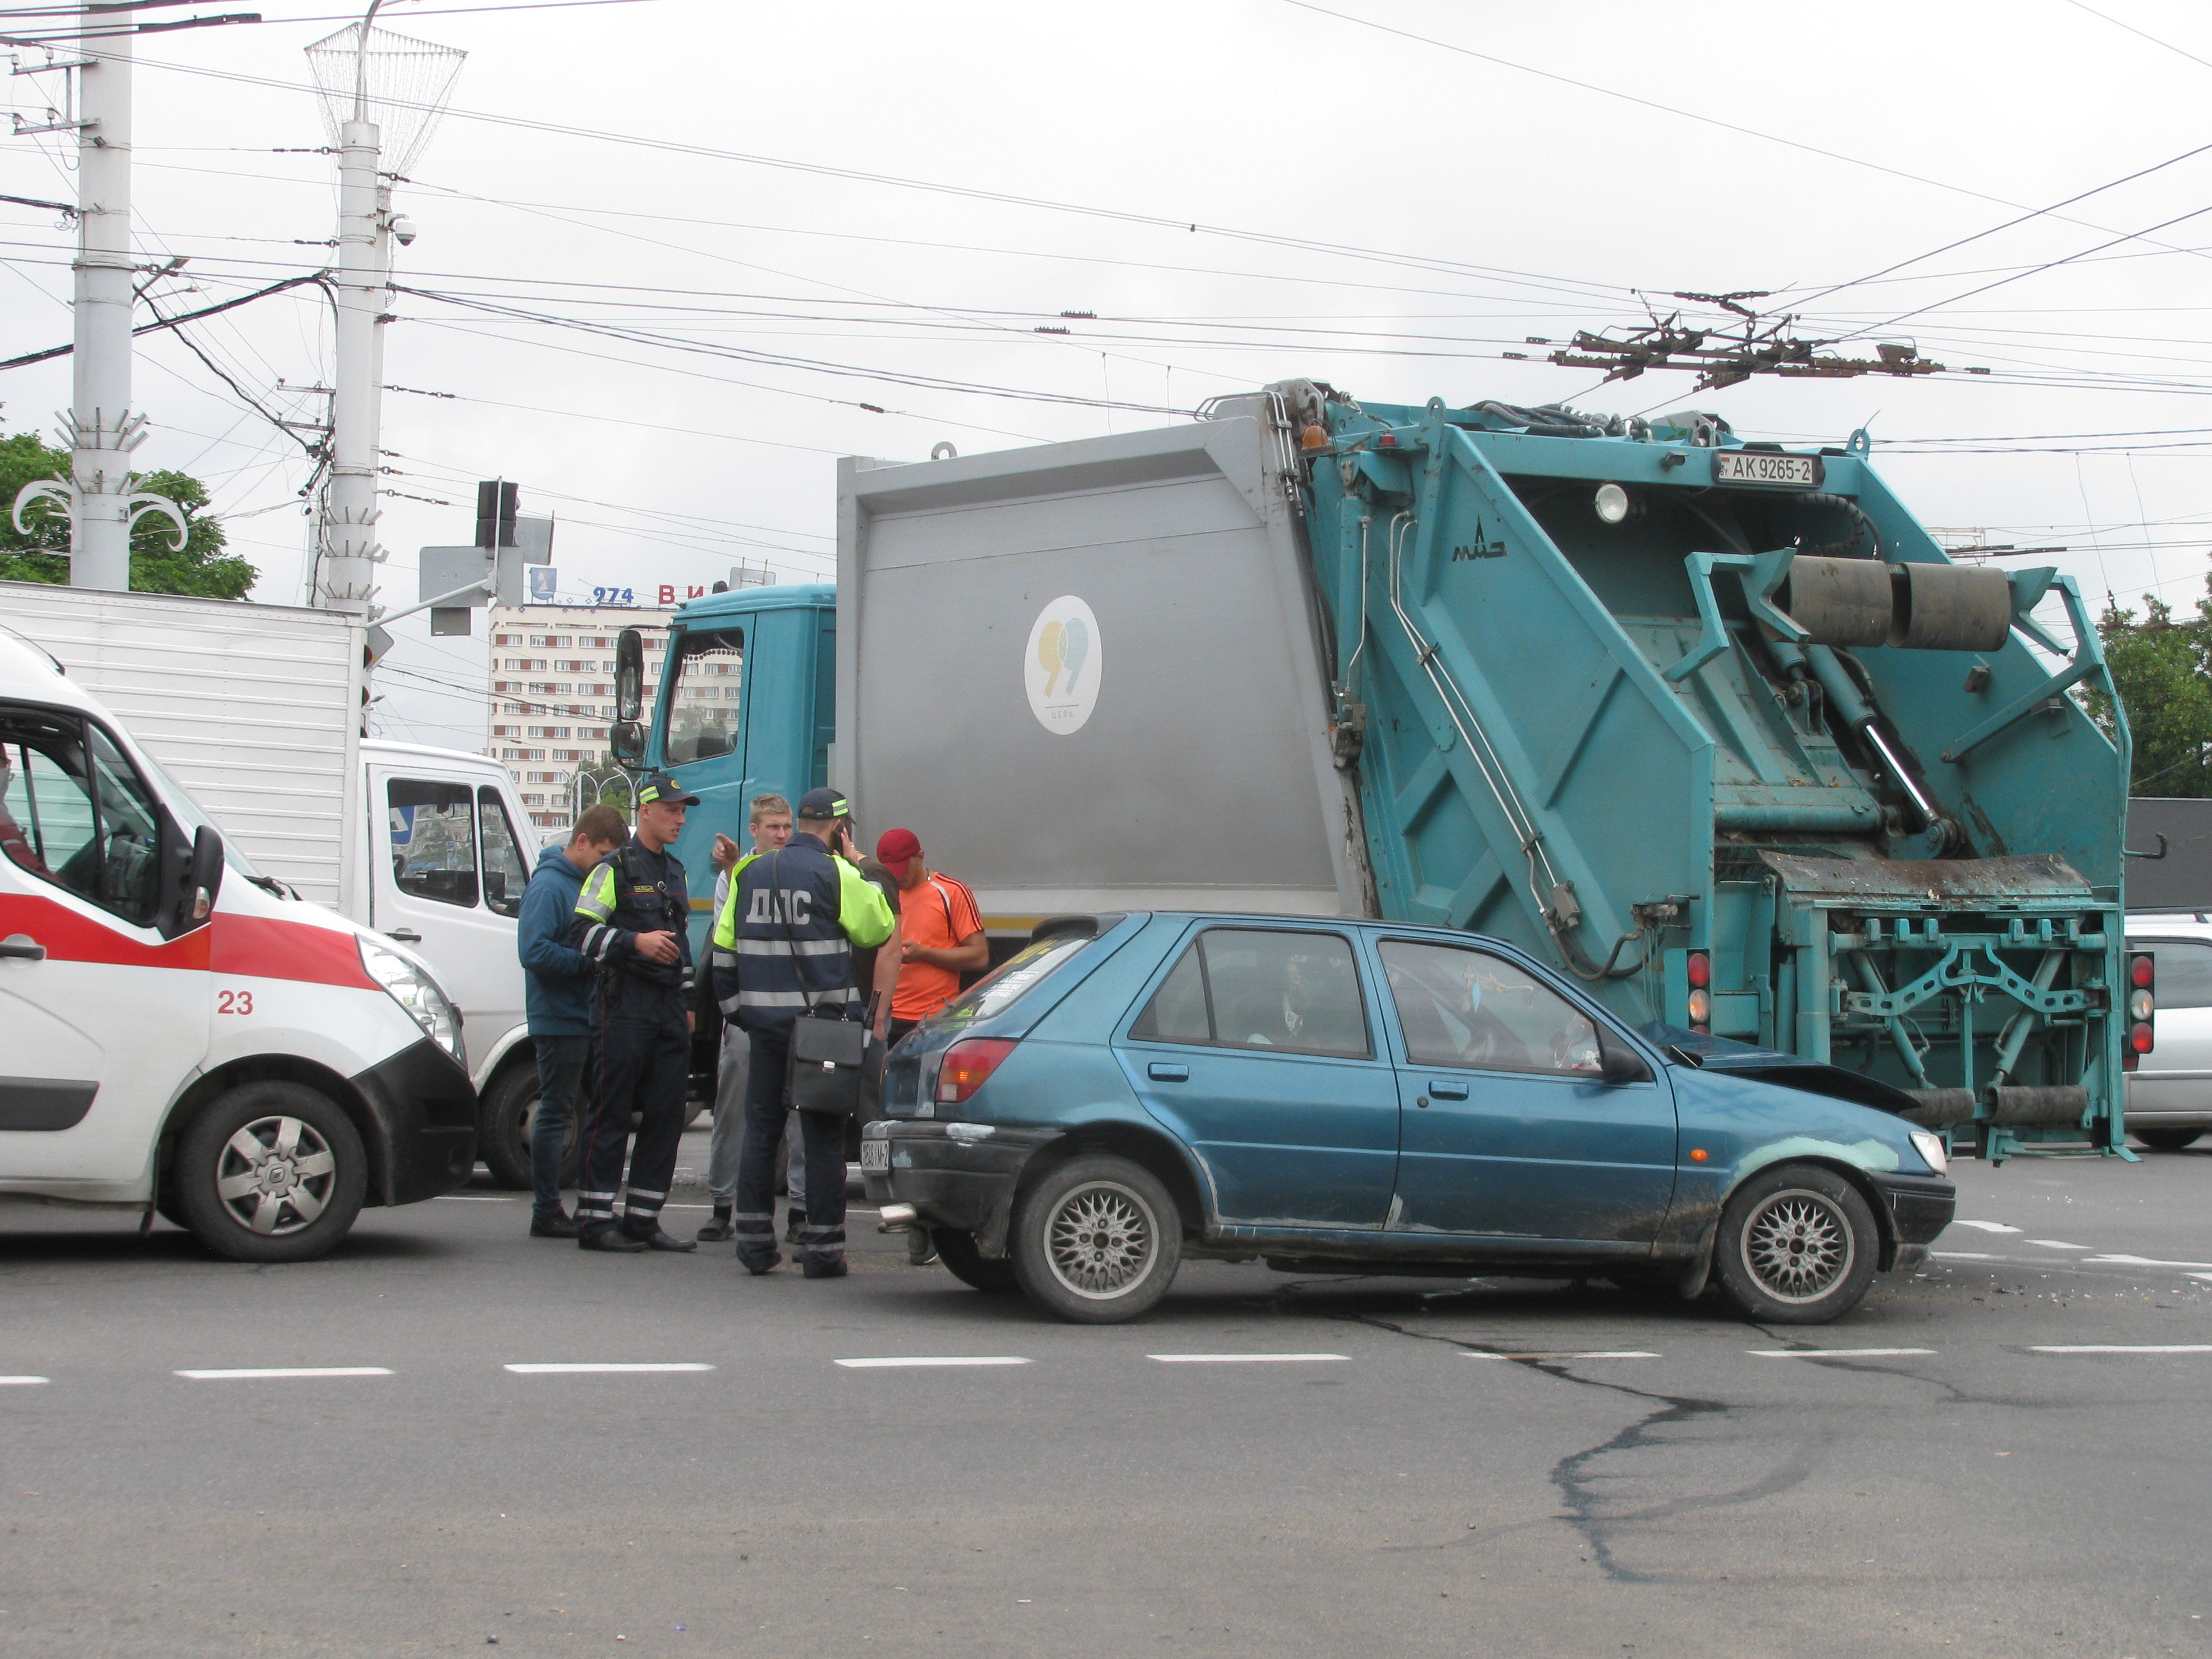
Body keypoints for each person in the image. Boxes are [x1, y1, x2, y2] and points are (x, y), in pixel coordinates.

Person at [720, 786, 894, 1278]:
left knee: (761, 1130)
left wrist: (738, 1013)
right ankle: (822, 1251)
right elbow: (876, 931)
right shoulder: (837, 871)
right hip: (821, 1031)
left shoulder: (748, 873)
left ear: (798, 823)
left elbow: (724, 950)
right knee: (820, 1137)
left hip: (763, 1027)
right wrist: (865, 876)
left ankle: (754, 1244)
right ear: (841, 831)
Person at [567, 771, 700, 1254]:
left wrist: (687, 1004)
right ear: (644, 812)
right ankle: (595, 1220)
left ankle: (643, 1219)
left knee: (666, 1115)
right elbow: (580, 934)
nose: (679, 819)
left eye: (683, 811)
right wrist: (634, 942)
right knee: (612, 1112)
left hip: (667, 1010)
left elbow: (682, 944)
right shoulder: (612, 869)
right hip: (624, 1006)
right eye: (671, 810)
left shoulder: (678, 871)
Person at [517, 803, 627, 1238]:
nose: (605, 867)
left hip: (583, 1014)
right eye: (602, 856)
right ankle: (545, 1210)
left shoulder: (582, 883)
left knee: (580, 1111)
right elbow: (534, 952)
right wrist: (591, 963)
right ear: (581, 842)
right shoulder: (549, 888)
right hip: (559, 1017)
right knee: (556, 1111)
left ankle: (587, 1207)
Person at [695, 792, 793, 1242]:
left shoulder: (802, 870)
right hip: (748, 1012)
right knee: (734, 1105)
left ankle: (801, 1211)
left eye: (786, 826)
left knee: (797, 1111)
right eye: (773, 827)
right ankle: (722, 1203)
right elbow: (733, 933)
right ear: (754, 831)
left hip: (793, 1008)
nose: (782, 835)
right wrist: (736, 871)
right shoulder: (730, 878)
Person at [876, 826, 987, 1045]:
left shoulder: (952, 891)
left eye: (903, 869)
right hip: (886, 1016)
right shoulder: (881, 891)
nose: (898, 878)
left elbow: (980, 956)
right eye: (891, 872)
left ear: (920, 857)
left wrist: (923, 953)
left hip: (933, 1018)